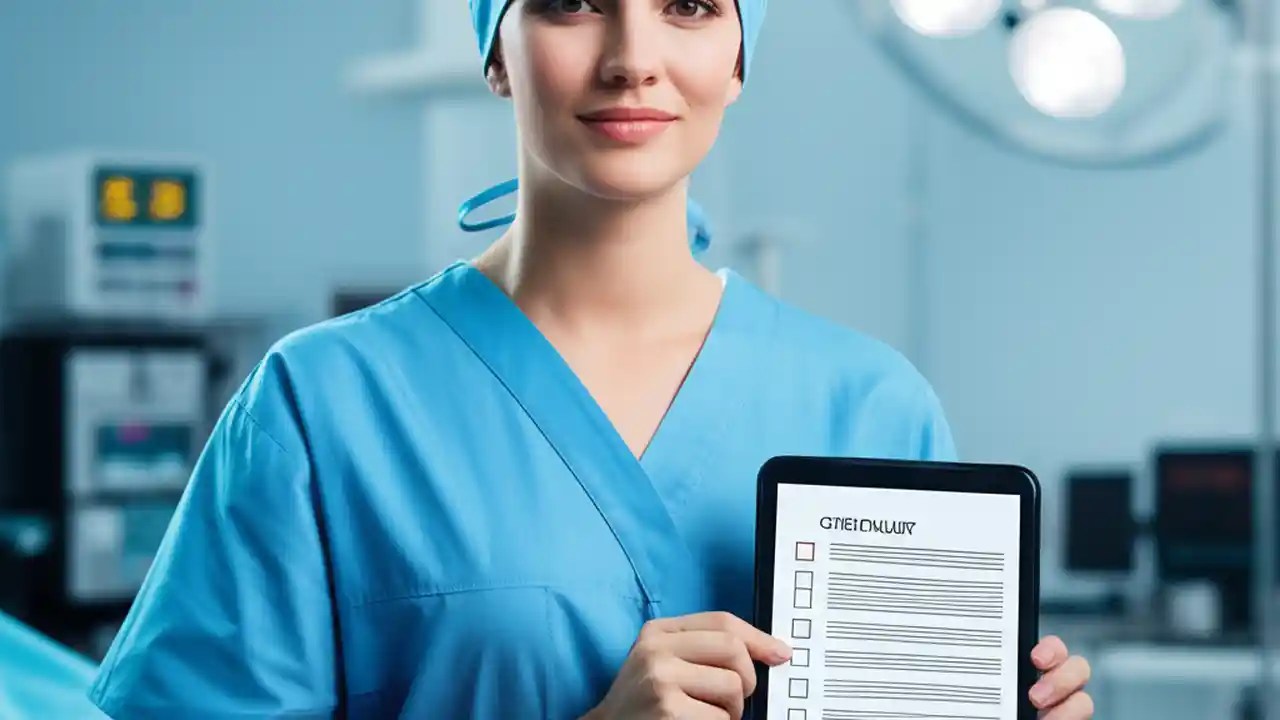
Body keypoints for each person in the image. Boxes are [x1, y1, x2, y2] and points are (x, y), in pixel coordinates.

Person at [87, 0, 1094, 718]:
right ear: (495, 51)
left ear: (741, 56)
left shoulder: (870, 404)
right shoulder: (323, 406)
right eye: (571, 5)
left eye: (689, 7)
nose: (630, 58)